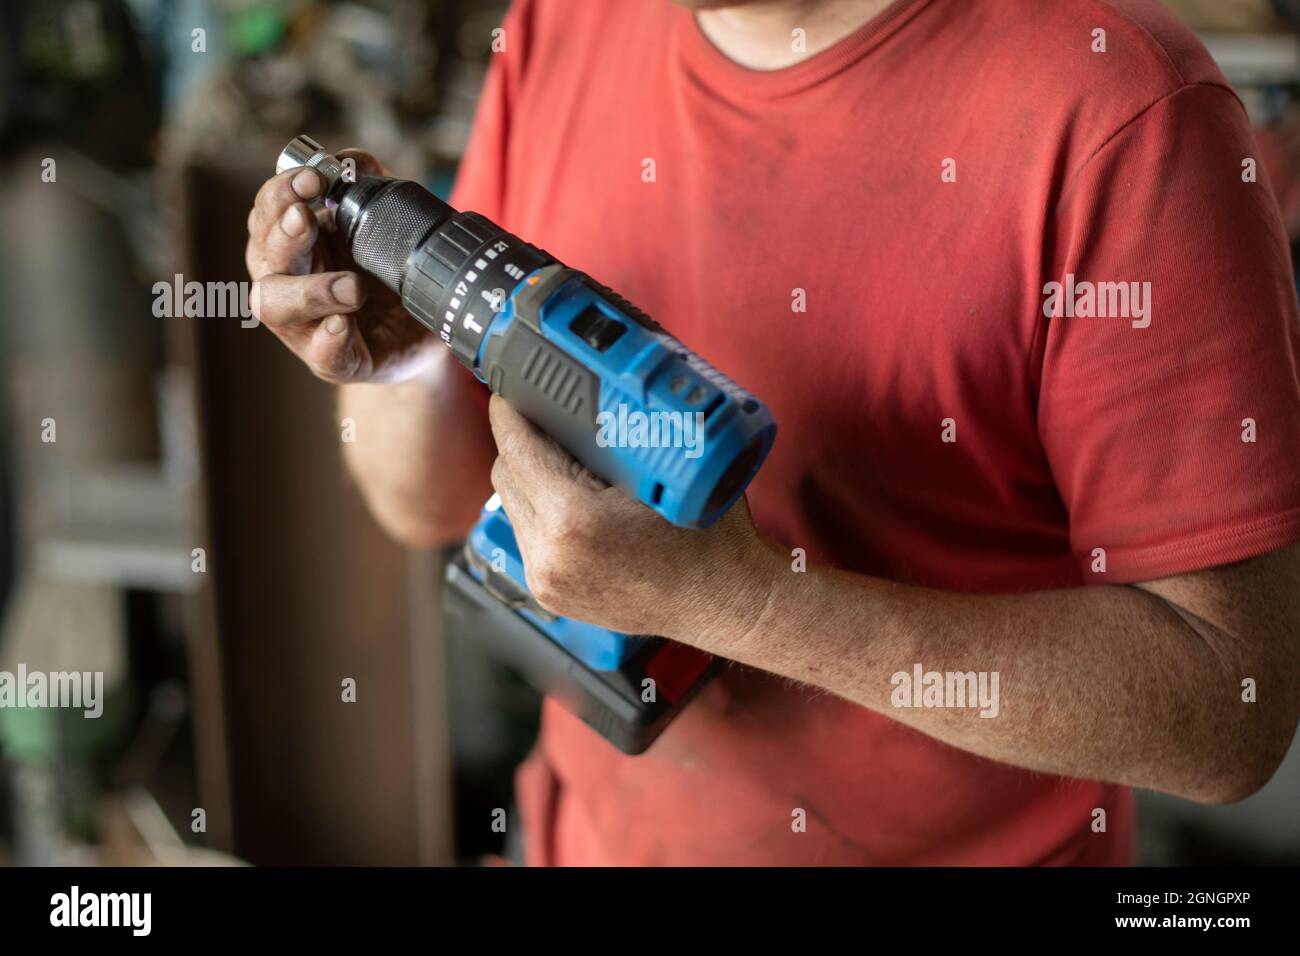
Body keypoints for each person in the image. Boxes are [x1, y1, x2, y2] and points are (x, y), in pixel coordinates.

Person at [245, 0, 1300, 865]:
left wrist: (739, 602)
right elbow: (419, 498)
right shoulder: (567, 23)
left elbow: (1227, 707)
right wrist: (401, 352)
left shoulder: (1120, 108)